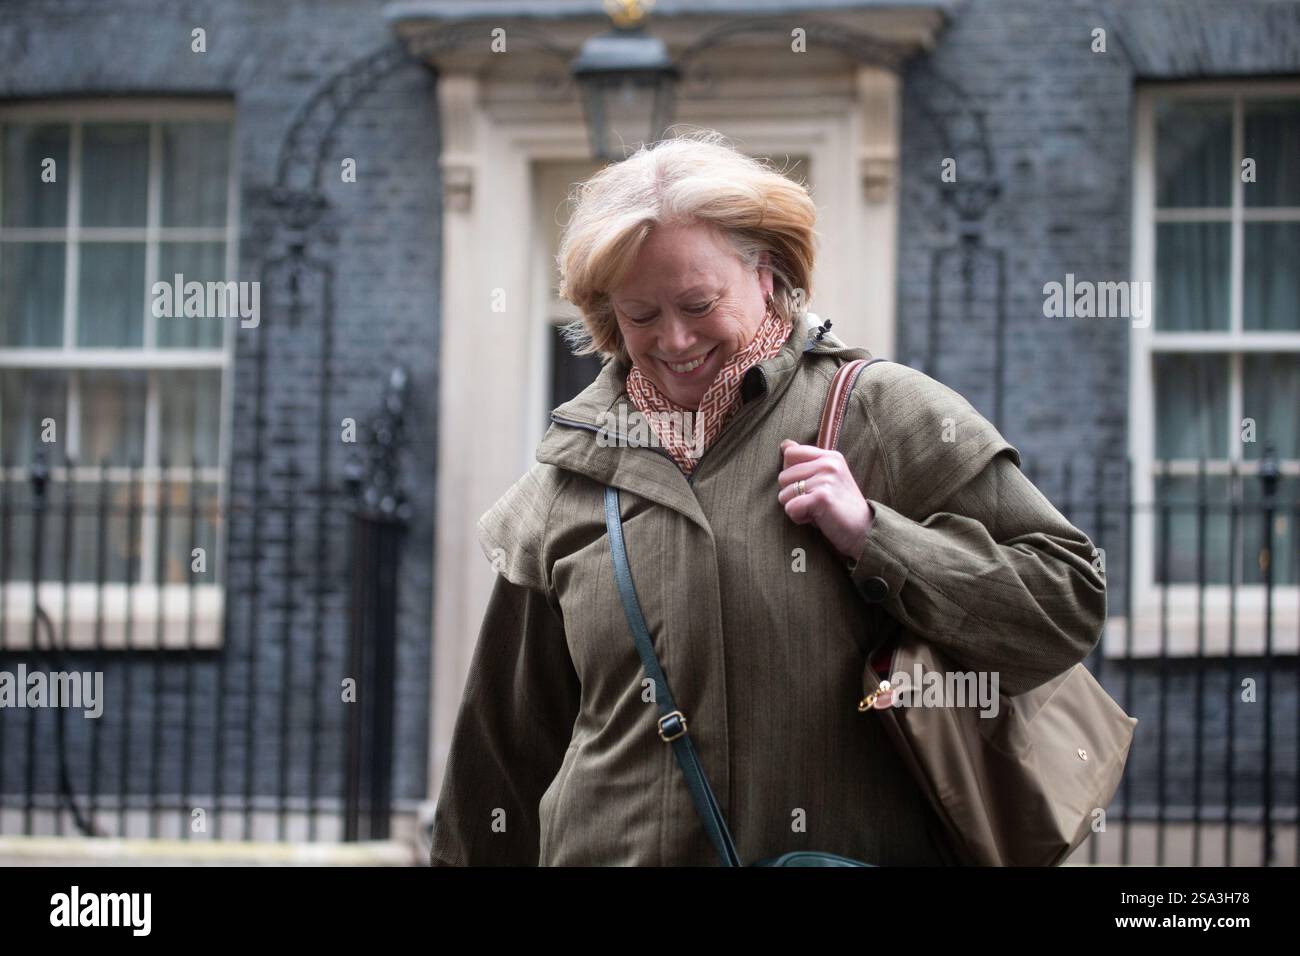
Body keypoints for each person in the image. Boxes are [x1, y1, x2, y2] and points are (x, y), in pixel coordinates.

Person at [429, 130, 1106, 866]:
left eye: (698, 301)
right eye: (641, 315)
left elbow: (1065, 605)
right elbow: (500, 751)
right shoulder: (567, 476)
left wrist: (878, 538)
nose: (676, 340)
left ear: (768, 271)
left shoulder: (881, 412)